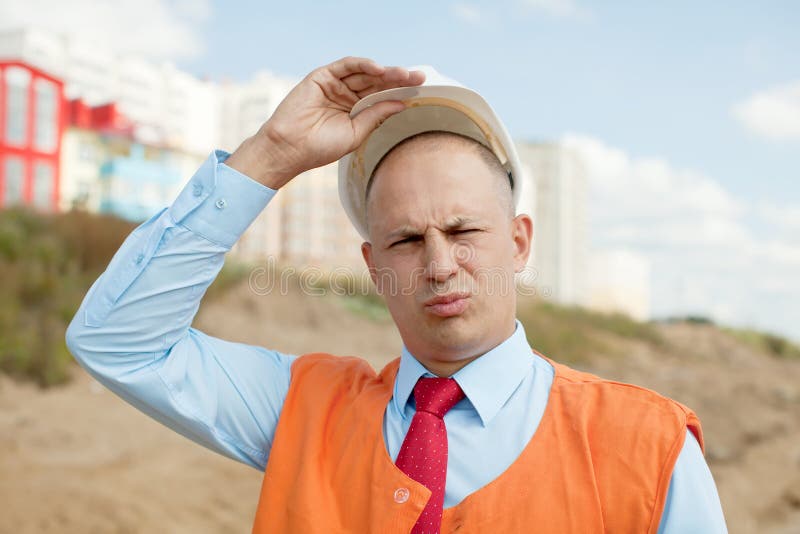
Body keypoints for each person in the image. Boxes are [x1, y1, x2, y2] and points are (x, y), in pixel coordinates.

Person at [66, 56, 727, 533]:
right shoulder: (302, 411)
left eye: (463, 230)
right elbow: (117, 341)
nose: (440, 265)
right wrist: (270, 153)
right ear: (374, 267)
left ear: (520, 243)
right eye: (407, 241)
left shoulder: (650, 447)